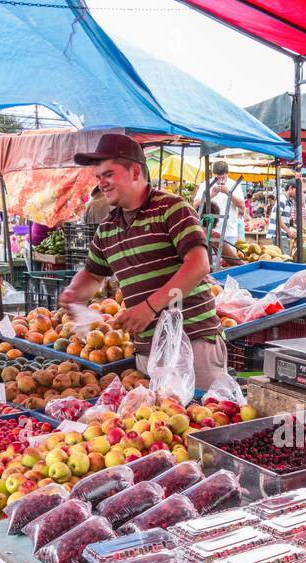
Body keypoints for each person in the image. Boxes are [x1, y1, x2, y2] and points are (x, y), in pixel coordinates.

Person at [60, 133, 224, 390]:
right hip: (149, 349)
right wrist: (73, 293)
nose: (102, 183)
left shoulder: (172, 209)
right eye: (98, 177)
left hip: (193, 341)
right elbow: (93, 275)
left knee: (206, 418)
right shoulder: (107, 228)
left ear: (135, 171)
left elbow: (198, 264)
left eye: (108, 174)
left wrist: (149, 307)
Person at [209, 160, 246, 242]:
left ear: (227, 174)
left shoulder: (234, 184)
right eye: (217, 178)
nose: (220, 180)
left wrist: (228, 192)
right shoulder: (206, 184)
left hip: (230, 233)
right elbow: (195, 205)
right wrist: (210, 195)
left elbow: (242, 205)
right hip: (210, 232)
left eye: (223, 177)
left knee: (229, 255)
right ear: (213, 174)